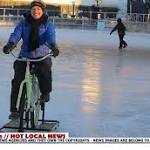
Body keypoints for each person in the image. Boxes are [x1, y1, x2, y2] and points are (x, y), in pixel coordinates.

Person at [3, 0, 59, 120]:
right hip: (25, 56)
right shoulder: (23, 23)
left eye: (38, 9)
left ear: (43, 11)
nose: (36, 11)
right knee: (17, 81)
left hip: (41, 56)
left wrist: (54, 47)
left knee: (45, 69)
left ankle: (45, 93)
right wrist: (10, 44)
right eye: (33, 9)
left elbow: (50, 37)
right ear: (30, 10)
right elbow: (16, 35)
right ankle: (14, 110)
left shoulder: (48, 24)